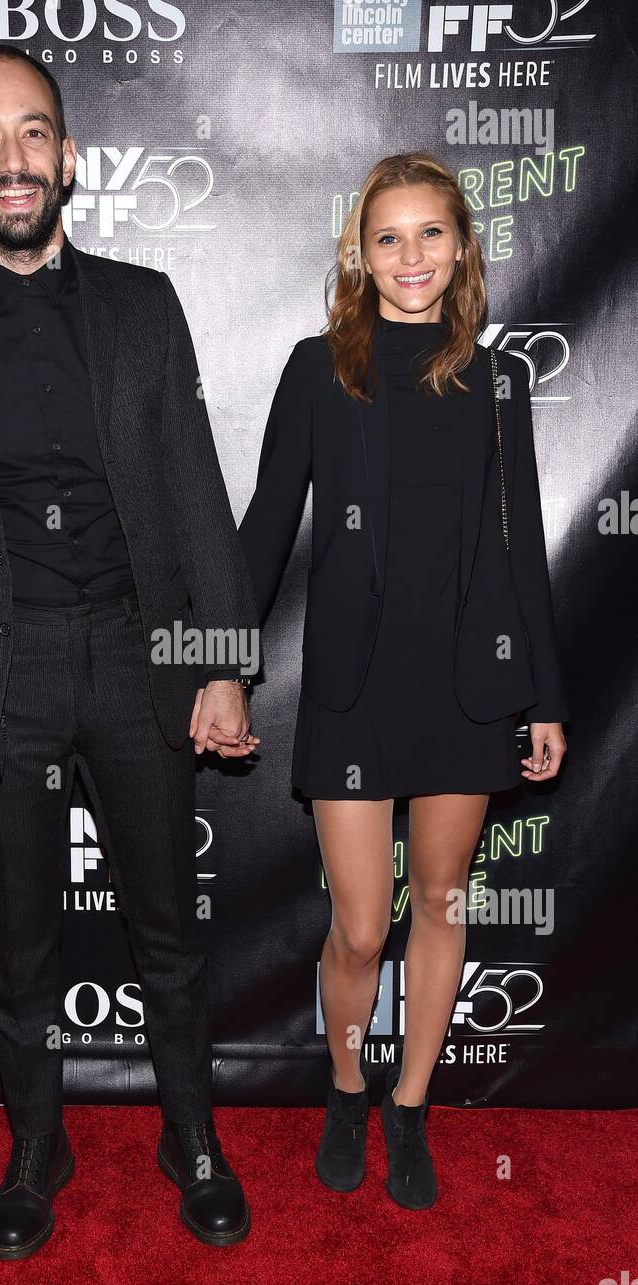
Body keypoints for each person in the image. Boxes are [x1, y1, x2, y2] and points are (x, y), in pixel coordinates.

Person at [0, 43, 260, 1258]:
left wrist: (221, 657)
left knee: (168, 933)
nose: (11, 159)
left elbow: (194, 488)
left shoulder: (143, 303)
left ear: (68, 157)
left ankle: (191, 1136)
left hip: (139, 664)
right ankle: (38, 1144)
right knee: (18, 940)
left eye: (33, 133)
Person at [238, 152, 568, 1210]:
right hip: (350, 686)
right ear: (358, 252)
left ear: (462, 247)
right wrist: (217, 667)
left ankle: (410, 1105)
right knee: (364, 925)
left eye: (431, 233)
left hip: (468, 681)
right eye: (388, 236)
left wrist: (547, 694)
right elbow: (263, 532)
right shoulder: (315, 367)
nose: (410, 255)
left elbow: (522, 548)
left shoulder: (494, 376)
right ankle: (346, 1083)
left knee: (437, 896)